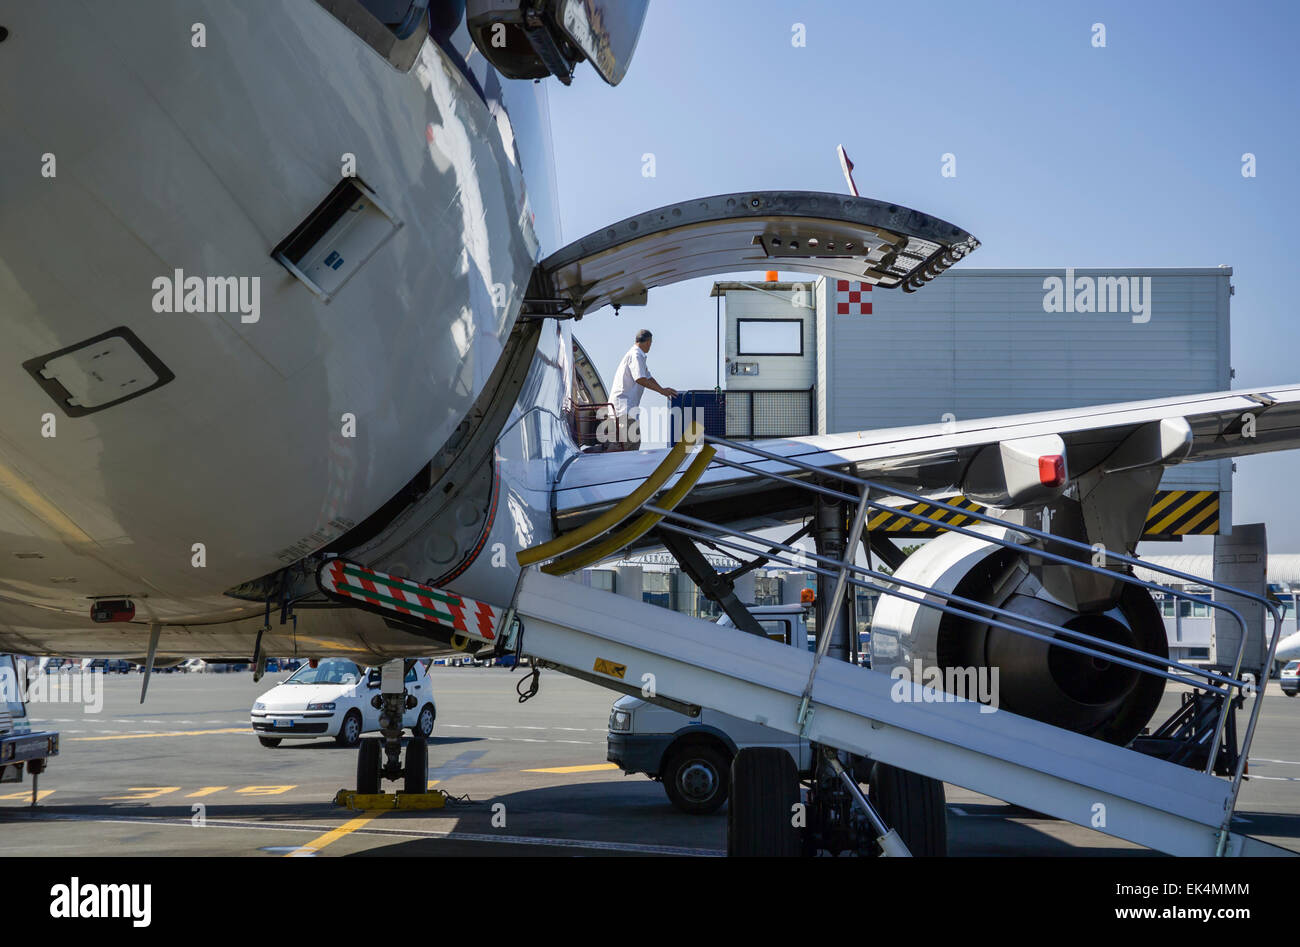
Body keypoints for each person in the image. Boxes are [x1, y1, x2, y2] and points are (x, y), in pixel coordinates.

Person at [609, 329, 677, 450]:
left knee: (632, 442)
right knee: (629, 443)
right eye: (651, 343)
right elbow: (640, 378)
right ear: (647, 342)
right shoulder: (636, 355)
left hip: (628, 408)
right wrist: (661, 391)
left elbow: (648, 377)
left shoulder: (638, 355)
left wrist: (663, 389)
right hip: (624, 407)